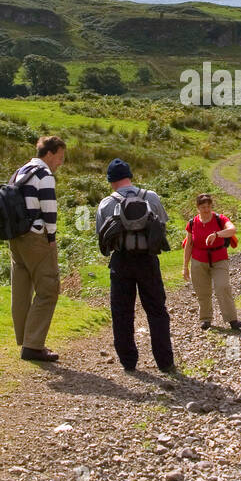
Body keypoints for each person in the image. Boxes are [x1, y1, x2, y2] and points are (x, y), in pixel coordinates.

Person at [95, 158, 175, 373]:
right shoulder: (151, 197)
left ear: (111, 181)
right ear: (130, 176)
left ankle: (128, 362)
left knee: (122, 312)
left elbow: (101, 236)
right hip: (148, 259)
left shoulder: (106, 203)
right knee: (156, 310)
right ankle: (165, 362)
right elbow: (162, 225)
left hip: (121, 261)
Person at [8, 135, 65, 362]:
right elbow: (49, 210)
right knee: (49, 289)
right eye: (60, 157)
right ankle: (33, 345)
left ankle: (24, 338)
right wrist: (51, 237)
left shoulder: (20, 171)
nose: (61, 162)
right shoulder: (44, 174)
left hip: (15, 237)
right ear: (49, 154)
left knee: (21, 289)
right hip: (36, 238)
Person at [183, 193, 241, 331]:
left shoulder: (219, 219)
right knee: (202, 291)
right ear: (197, 208)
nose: (206, 209)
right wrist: (185, 266)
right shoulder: (192, 223)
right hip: (198, 260)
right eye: (203, 207)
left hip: (219, 259)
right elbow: (189, 244)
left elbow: (232, 230)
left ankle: (232, 319)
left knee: (223, 286)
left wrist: (217, 234)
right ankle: (205, 319)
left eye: (209, 206)